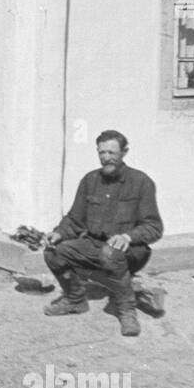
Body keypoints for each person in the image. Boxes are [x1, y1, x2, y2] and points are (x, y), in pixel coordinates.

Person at [44, 129, 163, 337]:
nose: (106, 158)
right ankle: (75, 299)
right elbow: (74, 219)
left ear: (124, 152)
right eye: (102, 153)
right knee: (54, 251)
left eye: (112, 153)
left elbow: (154, 227)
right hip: (94, 245)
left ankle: (127, 311)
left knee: (111, 253)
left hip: (131, 251)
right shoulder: (90, 180)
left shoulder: (141, 182)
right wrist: (59, 234)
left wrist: (128, 236)